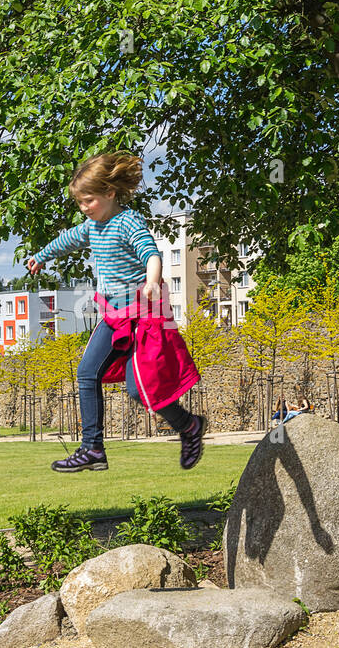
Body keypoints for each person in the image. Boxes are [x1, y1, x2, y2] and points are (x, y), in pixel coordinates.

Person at [26, 151, 206, 472]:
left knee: (140, 390)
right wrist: (41, 256)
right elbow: (66, 240)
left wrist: (152, 281)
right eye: (80, 202)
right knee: (86, 372)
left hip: (145, 313)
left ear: (110, 193)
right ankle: (92, 448)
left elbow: (151, 253)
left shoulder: (128, 222)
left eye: (89, 200)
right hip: (114, 315)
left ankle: (189, 426)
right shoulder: (92, 227)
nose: (84, 208)